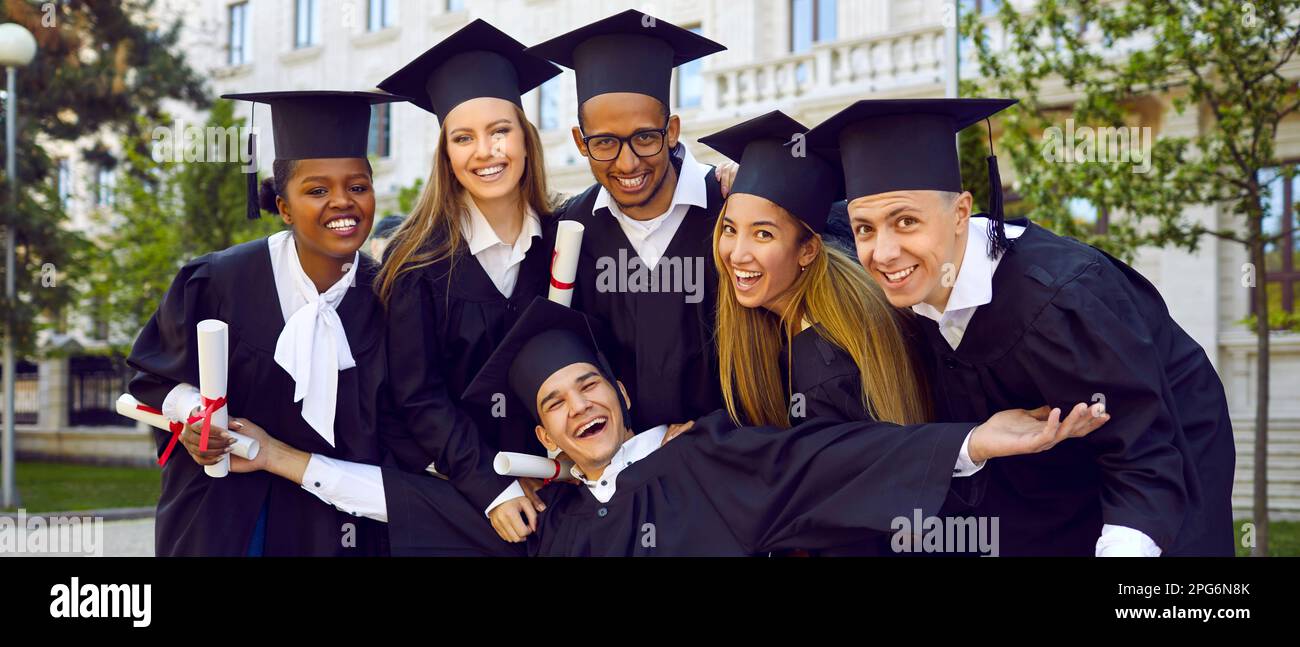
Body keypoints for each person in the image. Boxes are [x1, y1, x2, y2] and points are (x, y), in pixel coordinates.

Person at [223, 297, 1111, 557]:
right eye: (556, 407)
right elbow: (398, 499)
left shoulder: (711, 458)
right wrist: (273, 454)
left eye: (586, 386)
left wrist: (969, 441)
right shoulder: (544, 517)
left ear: (619, 391)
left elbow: (827, 459)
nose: (578, 409)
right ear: (550, 437)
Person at [806, 97, 1237, 556]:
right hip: (1047, 470)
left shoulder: (1058, 300)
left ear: (959, 213)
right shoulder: (915, 282)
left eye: (906, 221)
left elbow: (1142, 452)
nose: (884, 252)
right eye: (865, 229)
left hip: (1161, 439)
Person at [126, 90, 407, 556]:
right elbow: (154, 382)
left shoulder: (392, 300)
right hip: (225, 520)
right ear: (284, 206)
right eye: (317, 190)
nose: (343, 202)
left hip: (336, 529)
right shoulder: (218, 281)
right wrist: (196, 418)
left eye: (358, 186)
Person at [372, 19, 566, 544]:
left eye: (500, 130)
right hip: (460, 498)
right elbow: (419, 397)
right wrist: (492, 488)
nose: (485, 151)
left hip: (560, 488)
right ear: (447, 156)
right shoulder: (417, 263)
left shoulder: (565, 243)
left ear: (525, 139)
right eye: (464, 138)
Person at [524, 9, 729, 432]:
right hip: (623, 473)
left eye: (645, 137)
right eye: (604, 143)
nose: (627, 162)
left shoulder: (731, 209)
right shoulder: (569, 231)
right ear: (580, 141)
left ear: (671, 130)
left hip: (735, 459)